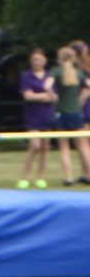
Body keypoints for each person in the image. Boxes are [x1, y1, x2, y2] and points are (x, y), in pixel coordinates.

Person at [19, 47, 57, 188]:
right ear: (31, 61)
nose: (37, 62)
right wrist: (43, 96)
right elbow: (28, 96)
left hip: (47, 115)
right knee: (35, 146)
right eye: (34, 60)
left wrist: (44, 96)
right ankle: (25, 177)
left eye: (40, 60)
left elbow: (54, 97)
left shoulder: (50, 77)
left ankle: (41, 177)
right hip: (32, 116)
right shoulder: (26, 77)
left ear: (45, 61)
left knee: (45, 148)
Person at [59, 43, 90, 185]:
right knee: (82, 143)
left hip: (81, 109)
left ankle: (86, 173)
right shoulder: (82, 71)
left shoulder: (81, 72)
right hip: (80, 110)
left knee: (82, 143)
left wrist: (79, 102)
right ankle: (85, 173)